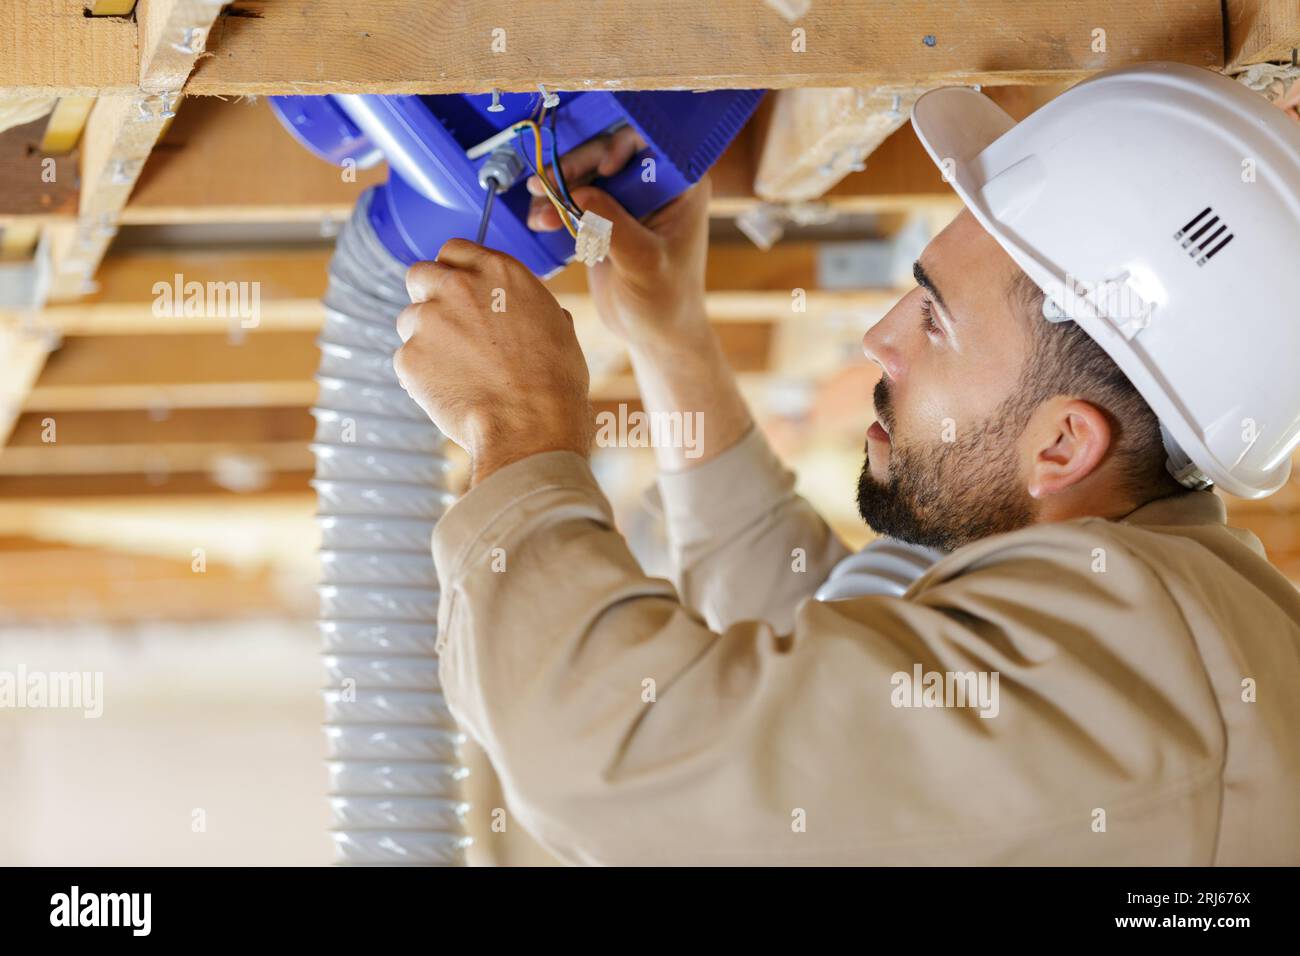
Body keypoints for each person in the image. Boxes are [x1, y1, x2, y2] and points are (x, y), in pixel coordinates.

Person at [392, 63, 1300, 865]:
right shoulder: (1120, 614)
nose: (880, 338)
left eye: (934, 319)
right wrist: (669, 335)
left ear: (1063, 446)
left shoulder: (1133, 689)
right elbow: (826, 652)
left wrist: (519, 423)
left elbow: (606, 760)